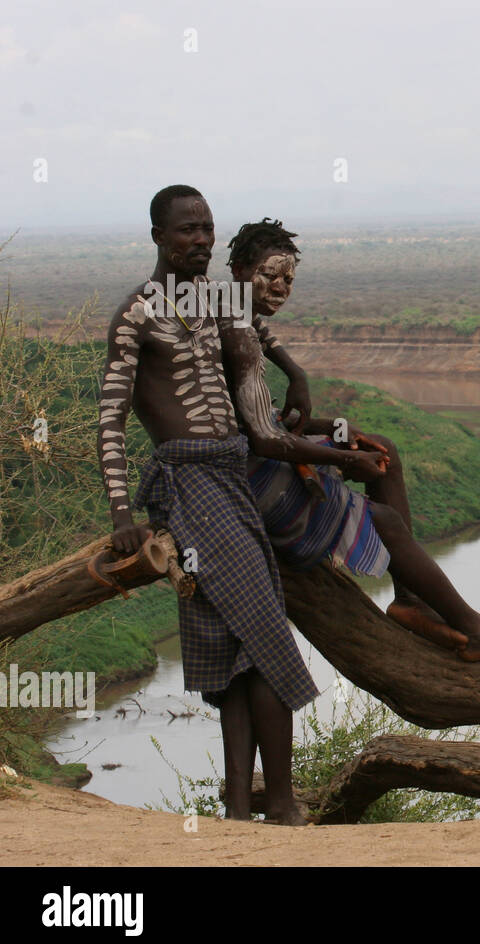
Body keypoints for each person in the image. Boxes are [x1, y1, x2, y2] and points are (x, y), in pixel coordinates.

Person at [217, 218, 480, 661]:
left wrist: (310, 394)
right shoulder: (231, 328)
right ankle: (475, 630)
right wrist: (346, 462)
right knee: (382, 518)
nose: (279, 287)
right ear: (236, 269)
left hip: (256, 447)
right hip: (243, 474)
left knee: (380, 449)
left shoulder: (234, 312)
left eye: (288, 278)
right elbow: (264, 438)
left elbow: (262, 390)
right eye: (269, 275)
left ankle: (410, 601)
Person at [99, 185, 313, 825]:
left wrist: (293, 370)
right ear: (159, 237)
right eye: (187, 230)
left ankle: (242, 809)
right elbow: (109, 419)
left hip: (233, 475)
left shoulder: (216, 300)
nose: (200, 240)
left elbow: (257, 330)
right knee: (269, 640)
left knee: (235, 651)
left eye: (207, 229)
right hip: (190, 486)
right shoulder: (136, 315)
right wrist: (120, 518)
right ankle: (283, 808)